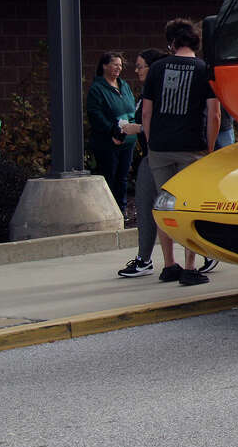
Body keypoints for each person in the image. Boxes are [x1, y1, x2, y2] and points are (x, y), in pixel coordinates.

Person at [143, 19, 221, 286]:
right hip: (192, 147)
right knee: (189, 206)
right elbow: (214, 113)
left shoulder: (156, 68)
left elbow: (146, 112)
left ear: (171, 42)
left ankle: (168, 264)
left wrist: (152, 141)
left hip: (160, 147)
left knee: (163, 205)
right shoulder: (203, 69)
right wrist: (209, 148)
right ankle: (190, 267)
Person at [116, 50, 168, 278]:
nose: (136, 71)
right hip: (149, 156)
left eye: (140, 66)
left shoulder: (163, 90)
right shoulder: (146, 92)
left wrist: (136, 128)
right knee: (145, 207)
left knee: (170, 209)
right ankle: (144, 259)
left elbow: (160, 122)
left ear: (153, 67)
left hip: (163, 156)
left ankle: (202, 255)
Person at [86, 51, 138, 213]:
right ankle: (109, 211)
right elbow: (96, 115)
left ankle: (121, 211)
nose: (118, 68)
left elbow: (132, 107)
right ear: (104, 66)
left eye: (120, 65)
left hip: (128, 140)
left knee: (122, 178)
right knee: (110, 177)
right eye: (115, 64)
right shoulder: (97, 89)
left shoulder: (124, 85)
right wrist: (112, 131)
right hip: (108, 142)